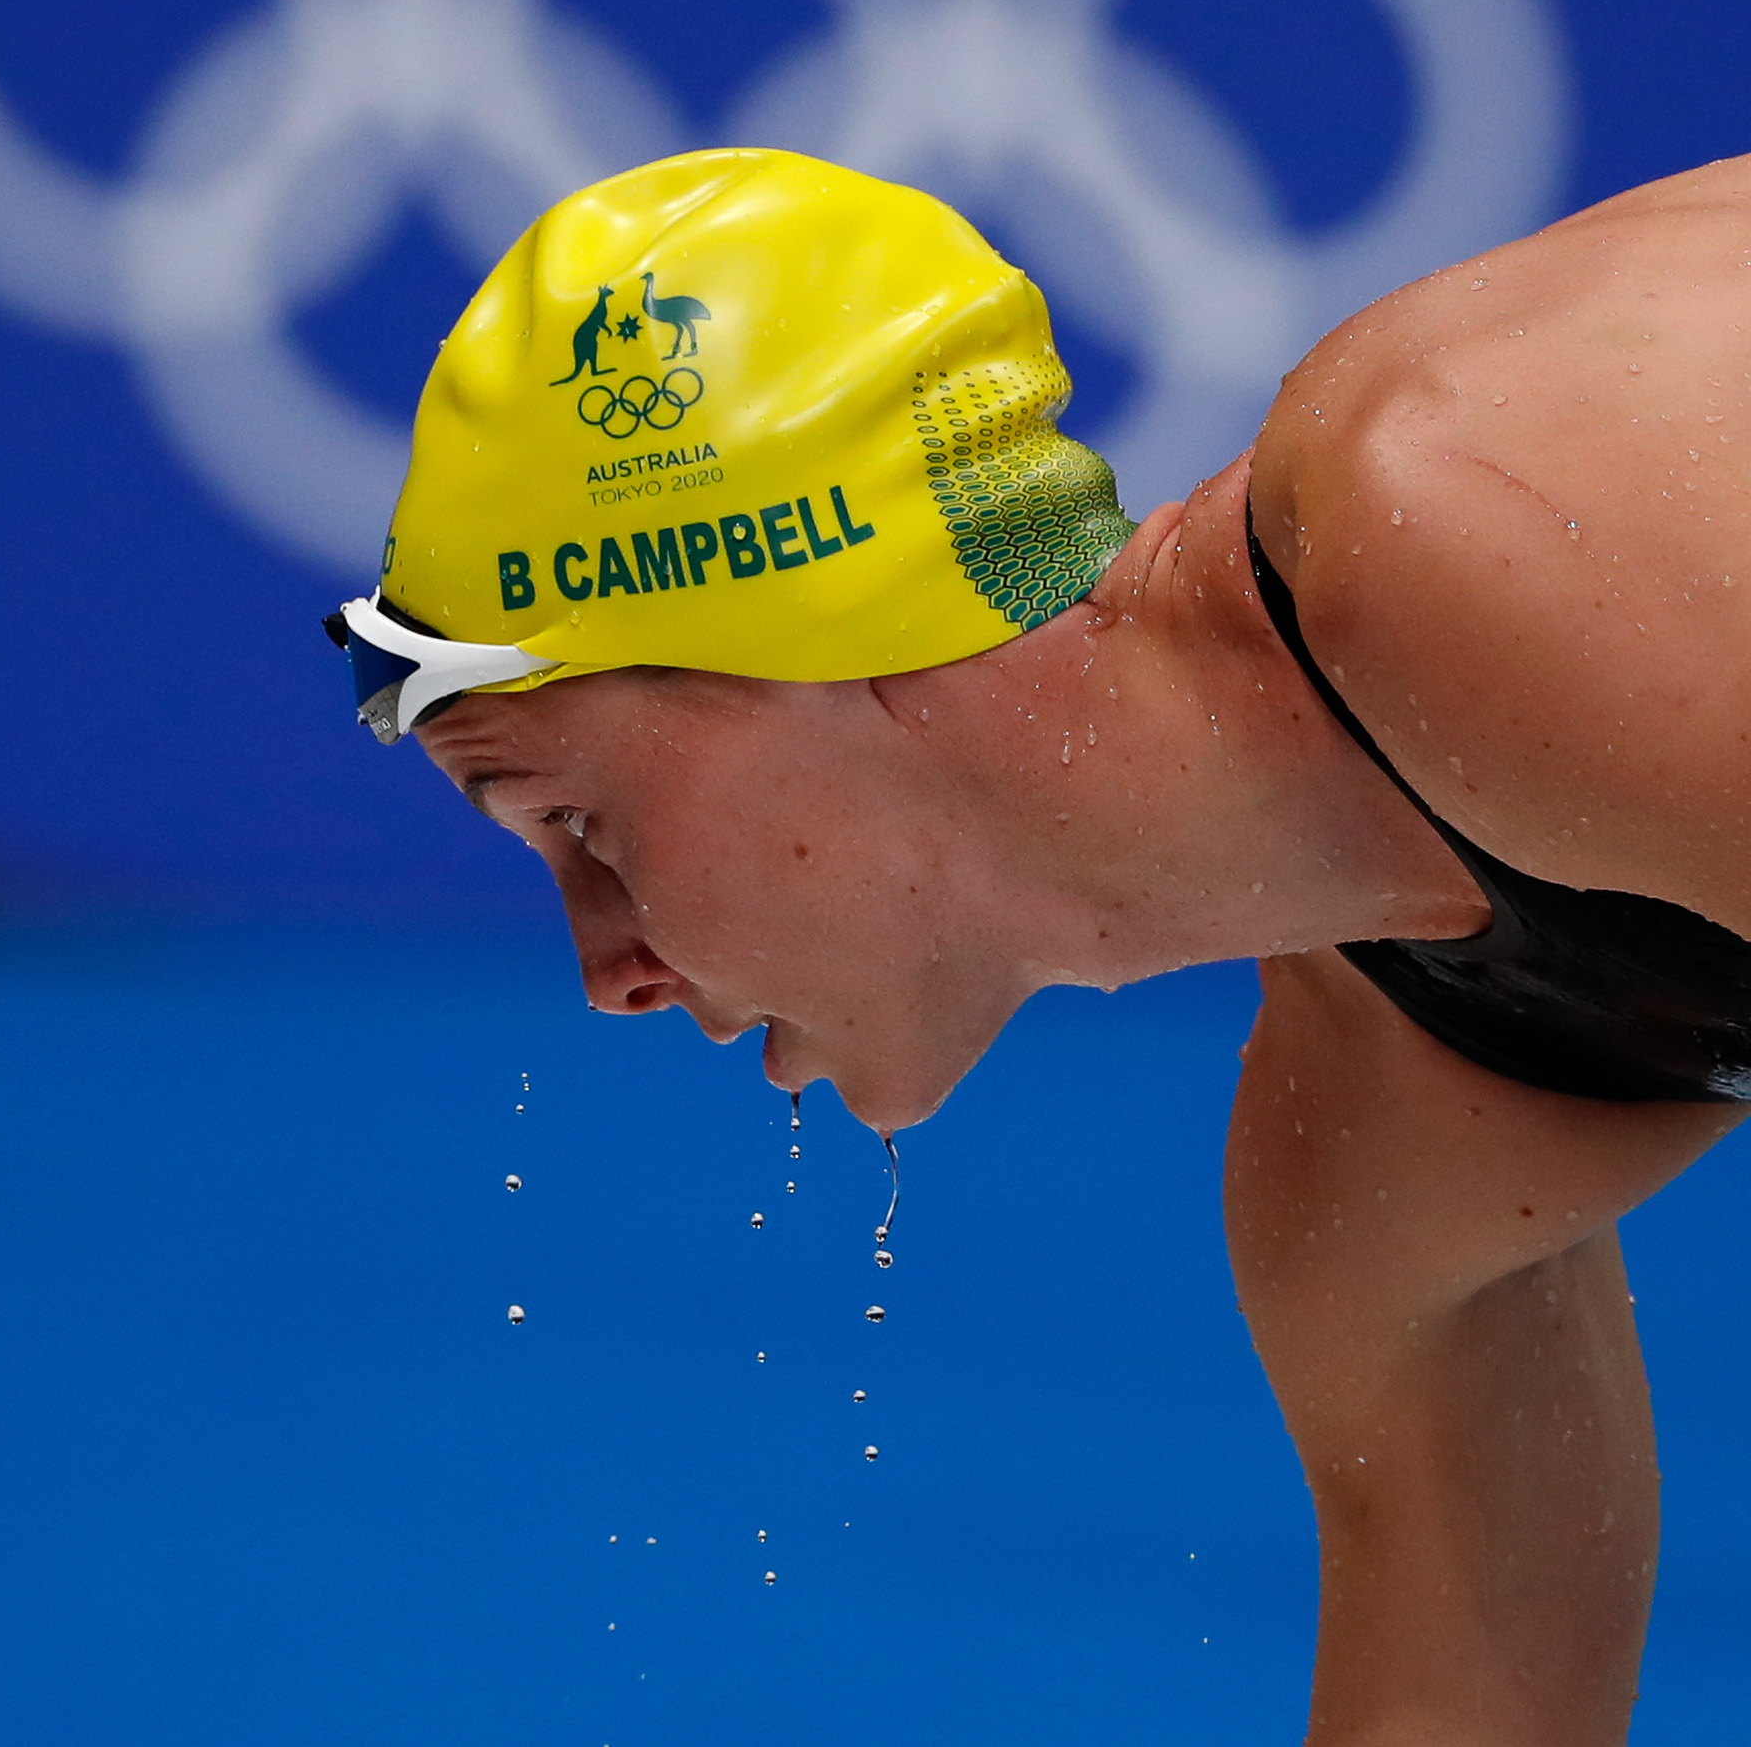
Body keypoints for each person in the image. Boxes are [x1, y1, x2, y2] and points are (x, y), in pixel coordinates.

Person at [324, 146, 1751, 1743]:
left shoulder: (1494, 526)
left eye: (575, 822)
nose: (609, 971)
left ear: (810, 641)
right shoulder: (1385, 1157)